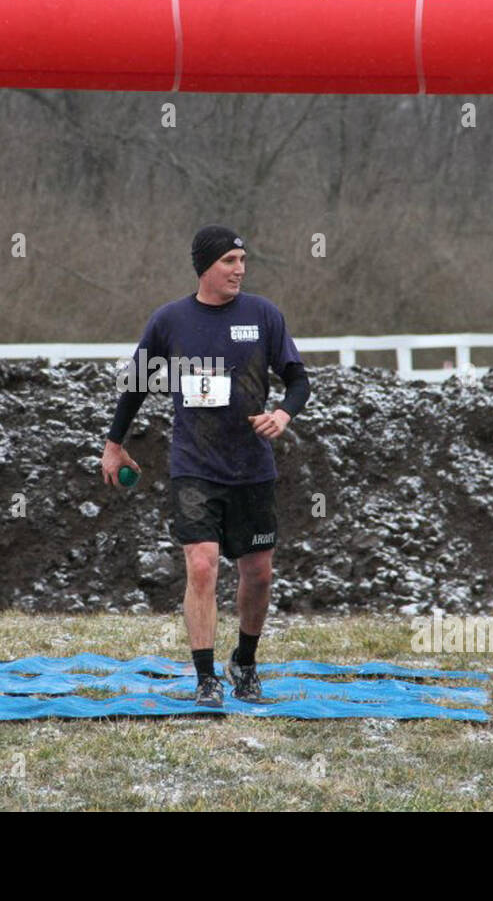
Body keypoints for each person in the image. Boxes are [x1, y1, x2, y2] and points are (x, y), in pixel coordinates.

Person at [101, 224, 311, 707]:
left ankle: (246, 663)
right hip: (194, 465)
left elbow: (299, 381)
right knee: (201, 566)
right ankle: (205, 678)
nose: (240, 270)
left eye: (243, 262)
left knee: (258, 572)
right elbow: (134, 386)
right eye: (229, 262)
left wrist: (282, 413)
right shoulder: (170, 320)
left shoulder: (263, 316)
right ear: (205, 267)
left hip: (252, 468)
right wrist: (115, 444)